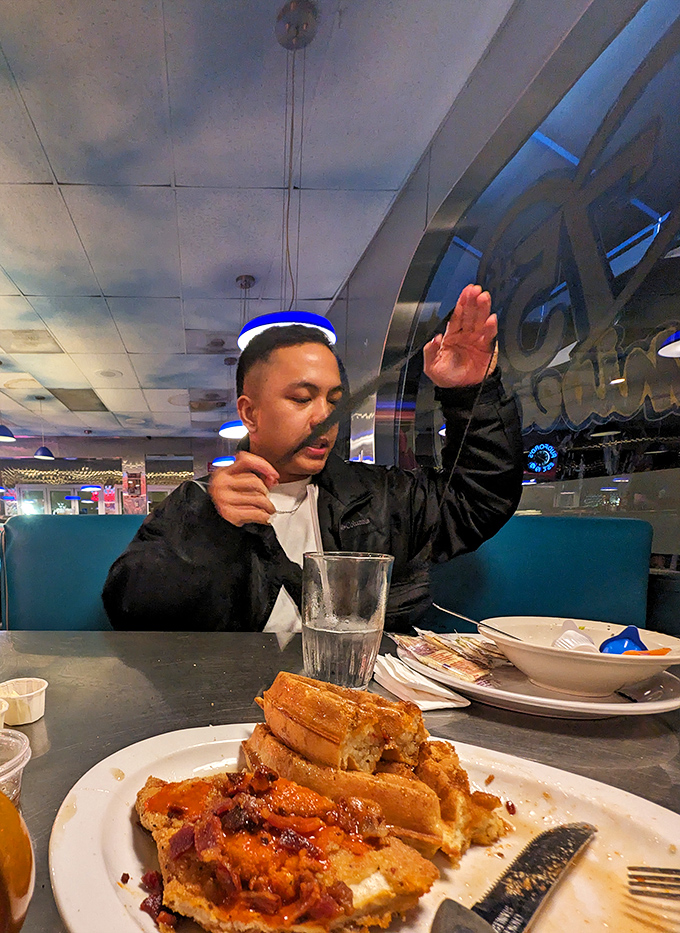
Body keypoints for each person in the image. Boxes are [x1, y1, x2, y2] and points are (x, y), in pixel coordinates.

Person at [103, 284, 524, 632]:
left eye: (334, 402)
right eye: (302, 398)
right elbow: (130, 609)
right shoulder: (197, 504)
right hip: (238, 707)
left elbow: (477, 500)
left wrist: (473, 394)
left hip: (360, 705)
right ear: (250, 412)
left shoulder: (380, 497)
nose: (324, 417)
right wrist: (210, 532)